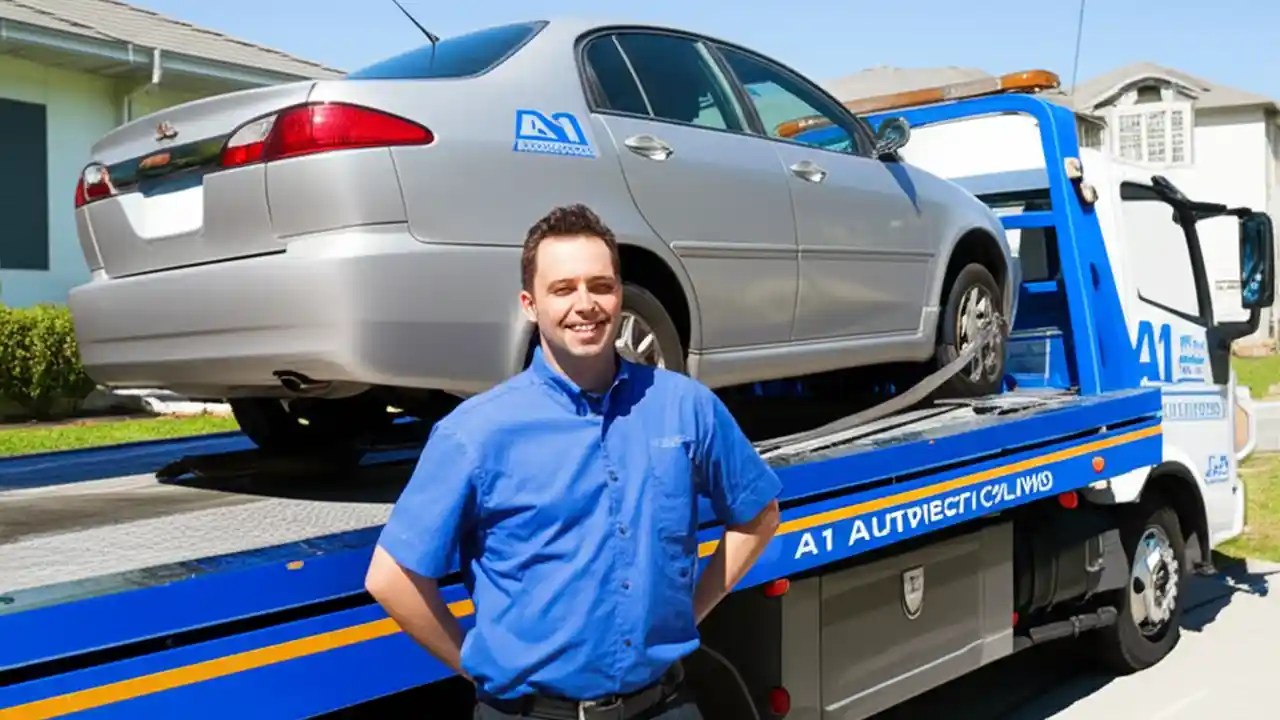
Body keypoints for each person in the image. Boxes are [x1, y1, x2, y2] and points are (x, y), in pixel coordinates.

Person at [365, 204, 783, 719]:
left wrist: (688, 613)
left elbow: (758, 516)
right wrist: (475, 667)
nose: (585, 304)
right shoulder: (476, 433)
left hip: (664, 704)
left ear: (619, 293)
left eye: (600, 286)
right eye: (562, 289)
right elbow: (392, 577)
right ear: (529, 304)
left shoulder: (684, 406)